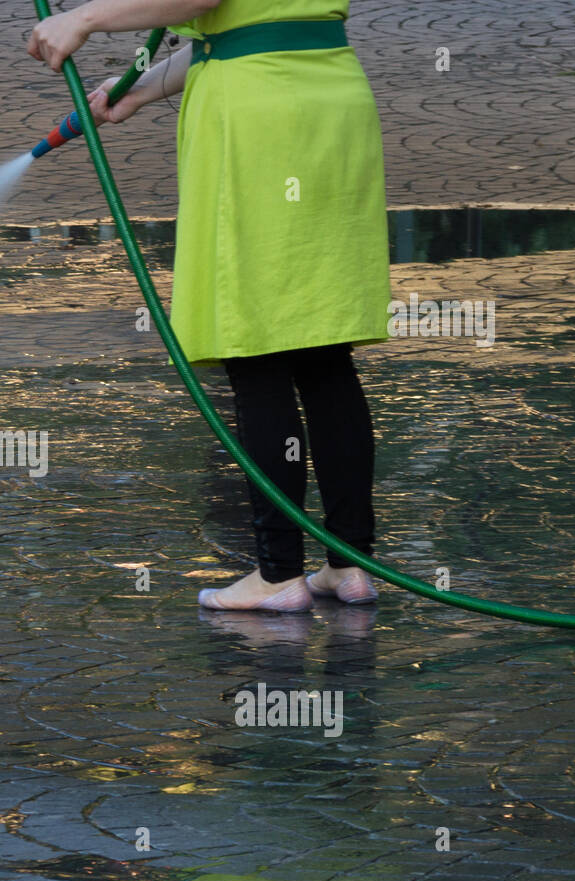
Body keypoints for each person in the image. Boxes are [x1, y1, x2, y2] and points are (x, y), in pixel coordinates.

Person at [28, 0, 390, 612]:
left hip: (260, 121)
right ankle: (349, 566)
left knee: (255, 348)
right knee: (324, 352)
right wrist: (143, 87)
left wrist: (84, 19)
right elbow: (250, 26)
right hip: (329, 97)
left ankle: (277, 576)